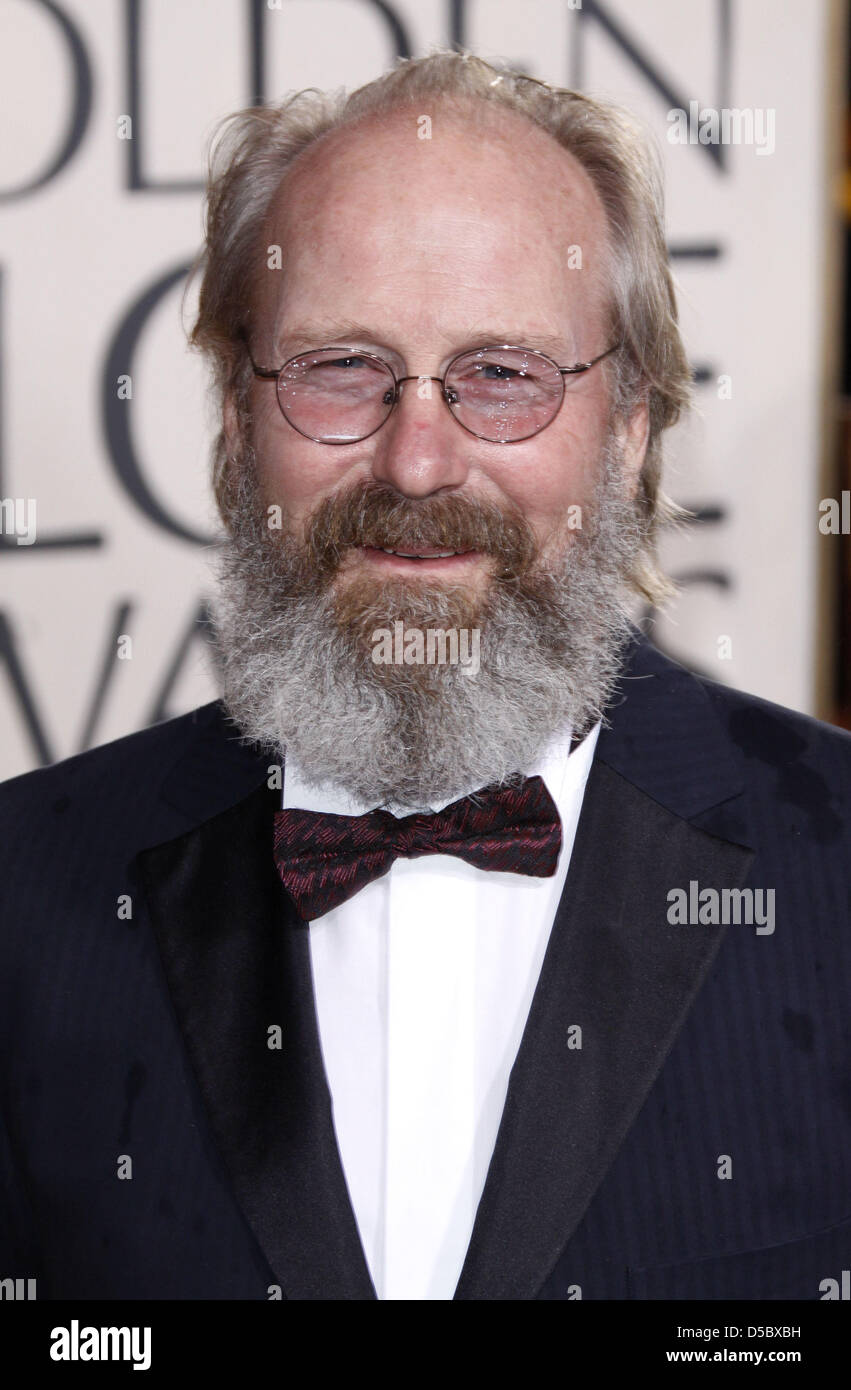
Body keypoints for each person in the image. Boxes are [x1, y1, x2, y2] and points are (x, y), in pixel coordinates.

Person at [1, 49, 849, 1303]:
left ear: (626, 433)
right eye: (341, 367)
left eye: (500, 375)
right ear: (236, 426)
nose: (414, 462)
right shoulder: (22, 892)